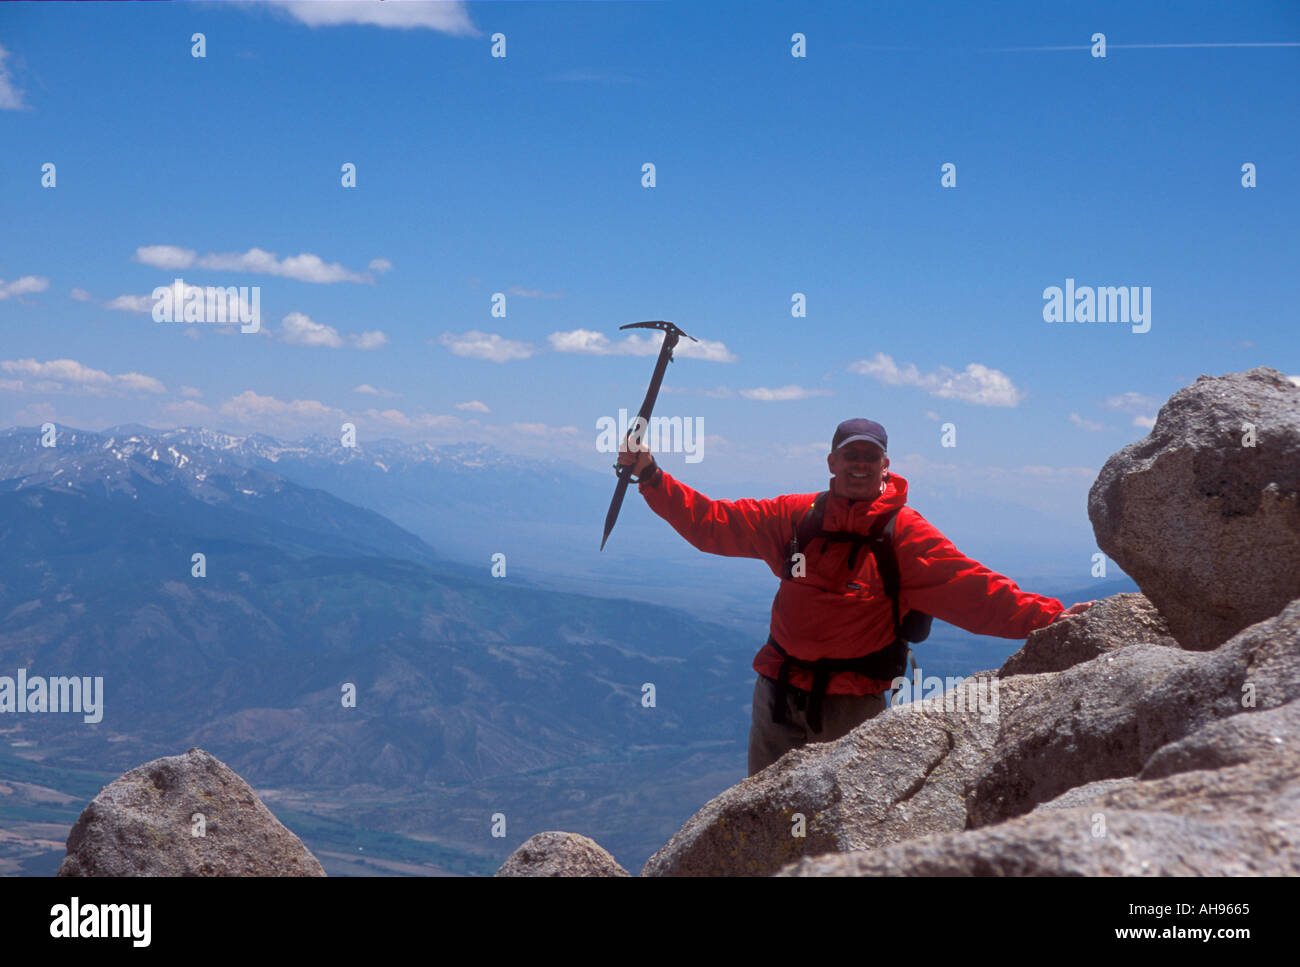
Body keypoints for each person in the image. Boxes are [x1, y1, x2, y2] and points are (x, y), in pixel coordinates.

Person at [616, 417, 1095, 776]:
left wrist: (1053, 618)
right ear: (832, 463)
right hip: (777, 694)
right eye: (851, 456)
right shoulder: (795, 517)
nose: (860, 465)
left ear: (885, 466)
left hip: (852, 706)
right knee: (760, 820)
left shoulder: (903, 535)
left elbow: (977, 591)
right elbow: (712, 524)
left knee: (836, 832)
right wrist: (652, 476)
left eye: (870, 457)